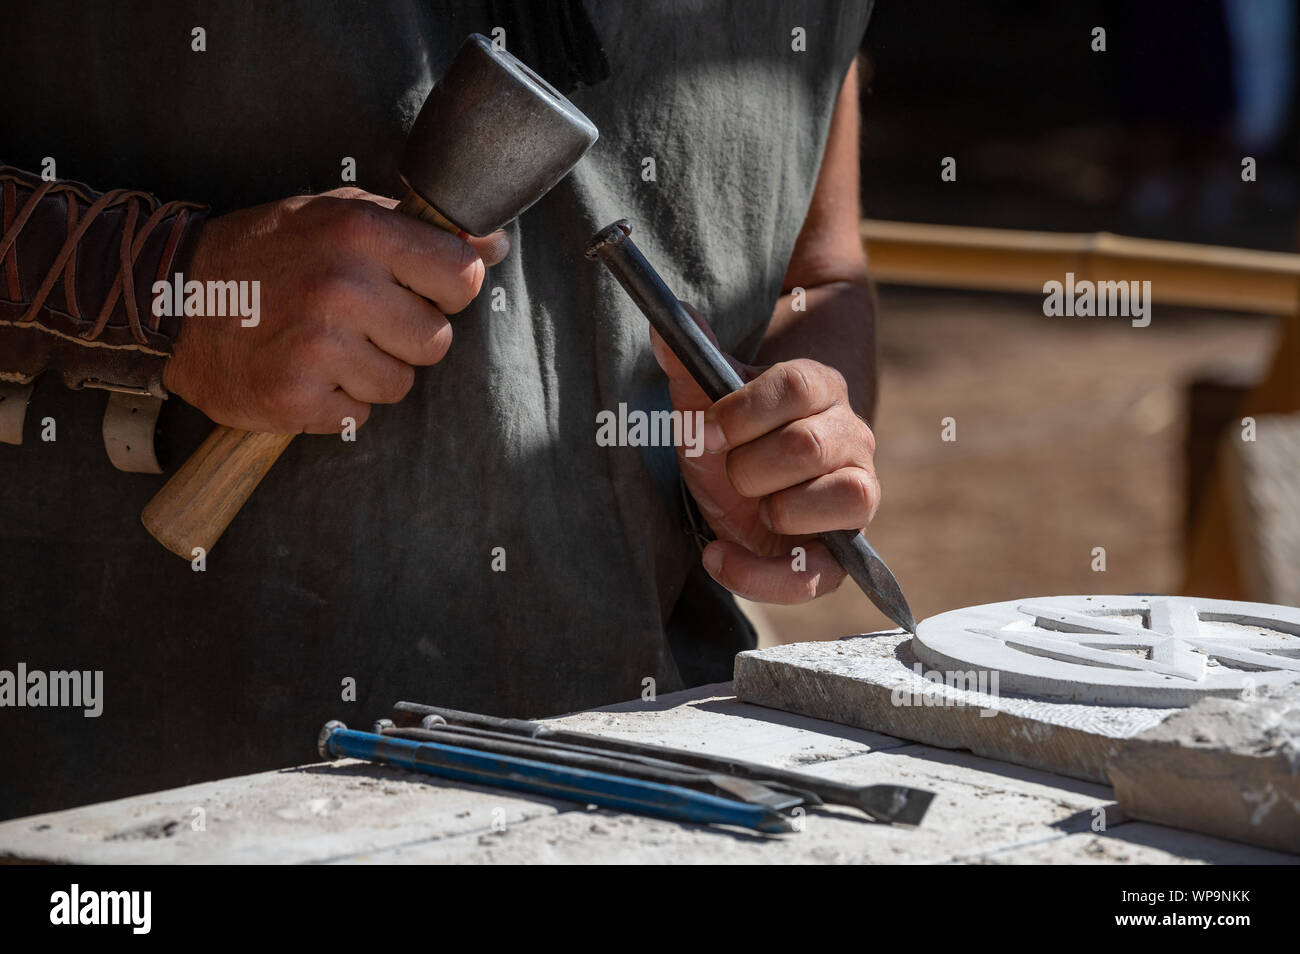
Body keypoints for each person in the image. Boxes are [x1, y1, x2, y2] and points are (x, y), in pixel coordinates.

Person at [0, 0, 881, 818]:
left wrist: (785, 436)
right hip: (118, 773)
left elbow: (820, 274)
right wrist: (167, 283)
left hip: (629, 769)